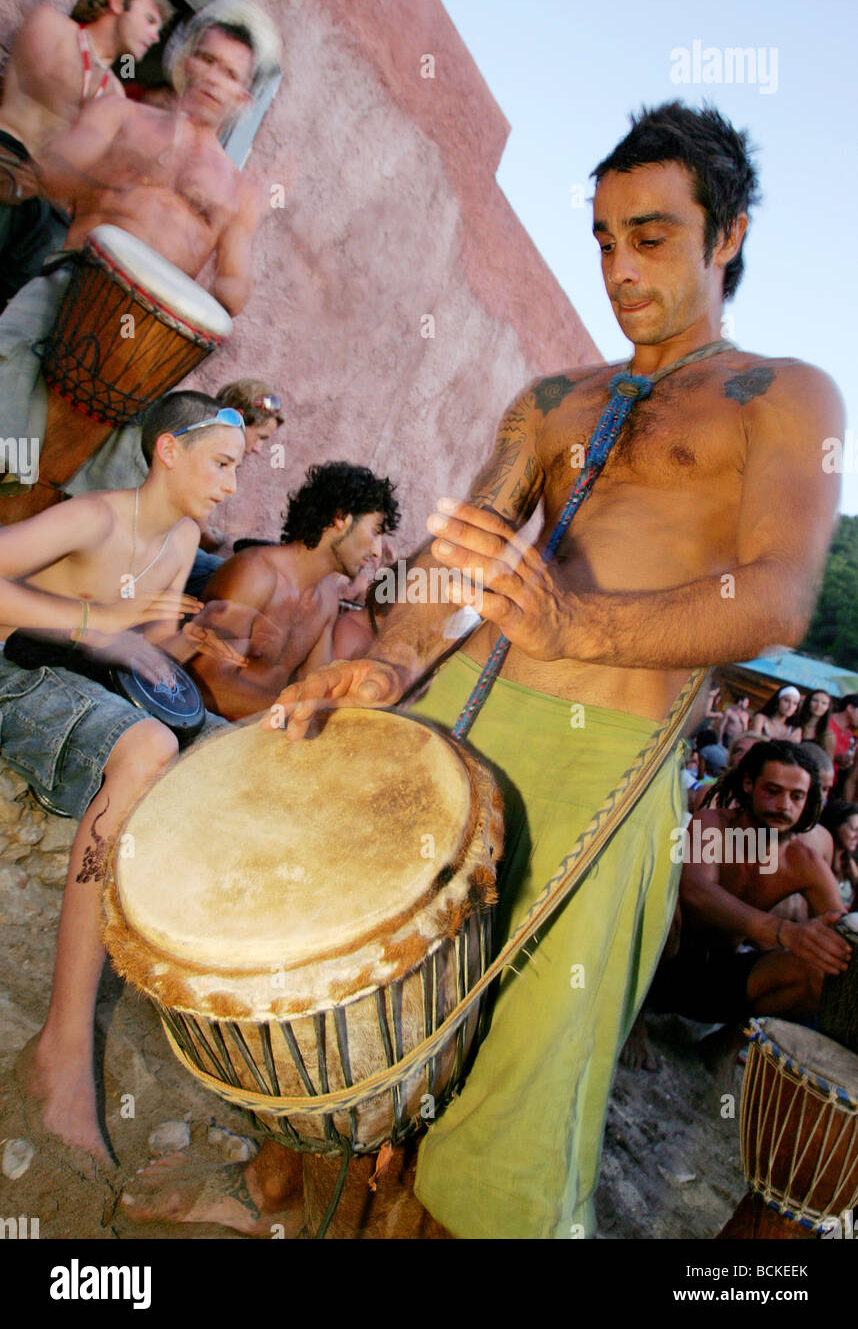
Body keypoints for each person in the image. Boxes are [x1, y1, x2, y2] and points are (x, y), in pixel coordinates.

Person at [122, 101, 844, 1240]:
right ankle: (308, 1195)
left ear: (728, 237)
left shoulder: (788, 395)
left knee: (521, 1083)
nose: (618, 266)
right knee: (372, 1003)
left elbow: (776, 593)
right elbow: (462, 556)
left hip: (608, 770)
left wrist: (578, 627)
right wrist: (390, 666)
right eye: (603, 237)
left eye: (650, 236)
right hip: (472, 719)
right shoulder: (554, 400)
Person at [0, 391, 248, 1162]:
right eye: (222, 465)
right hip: (22, 680)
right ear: (169, 450)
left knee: (242, 755)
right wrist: (93, 625)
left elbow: (147, 650)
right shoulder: (95, 517)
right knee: (148, 750)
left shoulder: (182, 537)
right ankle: (61, 1052)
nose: (231, 486)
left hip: (94, 692)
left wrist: (199, 640)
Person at [0, 0, 279, 495]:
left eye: (231, 74)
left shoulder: (236, 192)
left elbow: (230, 296)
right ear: (184, 61)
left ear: (244, 98)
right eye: (207, 60)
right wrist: (108, 168)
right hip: (72, 282)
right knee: (6, 399)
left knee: (102, 490)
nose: (213, 77)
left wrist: (252, 221)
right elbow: (51, 177)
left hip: (147, 341)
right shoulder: (119, 114)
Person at [648, 742, 849, 1052]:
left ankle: (724, 1047)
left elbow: (844, 934)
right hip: (663, 967)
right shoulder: (713, 823)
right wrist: (784, 933)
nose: (784, 806)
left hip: (722, 983)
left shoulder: (805, 863)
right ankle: (633, 1020)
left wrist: (825, 944)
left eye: (796, 797)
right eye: (773, 790)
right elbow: (695, 892)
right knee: (666, 902)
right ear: (748, 784)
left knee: (823, 969)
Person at [0, 0, 170, 307]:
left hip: (49, 210)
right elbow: (48, 90)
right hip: (7, 159)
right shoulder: (53, 26)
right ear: (117, 1)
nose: (154, 37)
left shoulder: (118, 94)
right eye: (150, 19)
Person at [188, 462, 399, 719]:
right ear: (341, 517)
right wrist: (296, 713)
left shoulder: (328, 596)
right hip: (211, 729)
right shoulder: (255, 573)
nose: (377, 551)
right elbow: (204, 685)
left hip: (263, 733)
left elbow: (315, 685)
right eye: (375, 531)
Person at [184, 377, 285, 597]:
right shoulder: (206, 453)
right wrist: (223, 540)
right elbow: (203, 536)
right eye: (260, 437)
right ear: (238, 418)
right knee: (242, 580)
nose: (258, 448)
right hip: (159, 549)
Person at [819, 799, 858, 909]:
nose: (857, 836)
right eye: (854, 830)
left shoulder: (849, 863)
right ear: (837, 825)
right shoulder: (820, 859)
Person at [790, 687, 835, 756]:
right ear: (808, 702)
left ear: (828, 708)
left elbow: (827, 762)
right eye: (815, 700)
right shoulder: (793, 722)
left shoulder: (827, 735)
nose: (818, 705)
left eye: (824, 703)